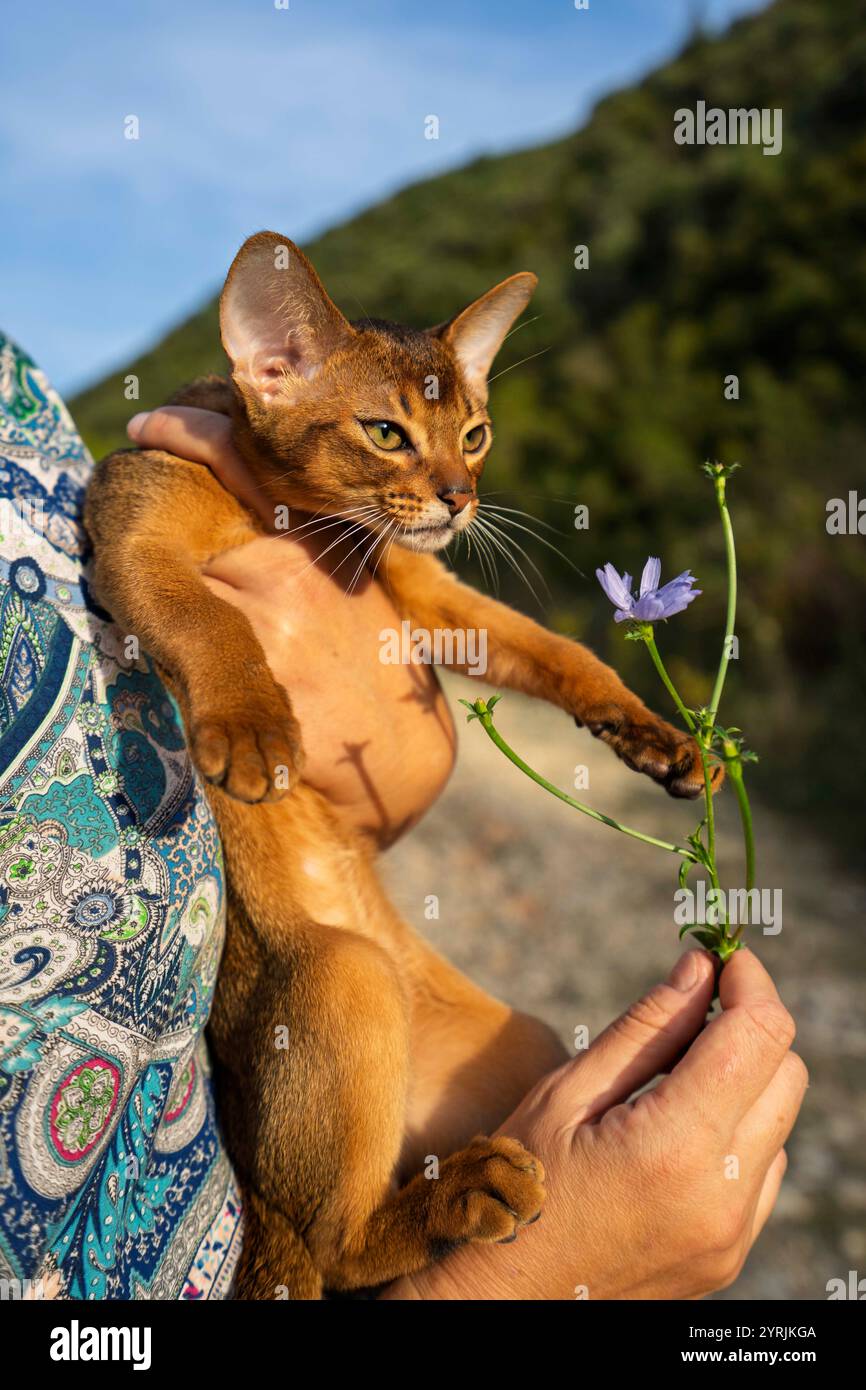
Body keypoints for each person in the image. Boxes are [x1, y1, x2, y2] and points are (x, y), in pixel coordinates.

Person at [0, 343, 805, 1300]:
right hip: (304, 982)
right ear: (270, 370)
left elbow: (458, 620)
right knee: (344, 985)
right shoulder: (189, 473)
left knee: (542, 1069)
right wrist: (239, 686)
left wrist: (610, 703)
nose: (457, 487)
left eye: (470, 443)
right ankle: (351, 1238)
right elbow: (141, 556)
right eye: (396, 438)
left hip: (383, 958)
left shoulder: (349, 511)